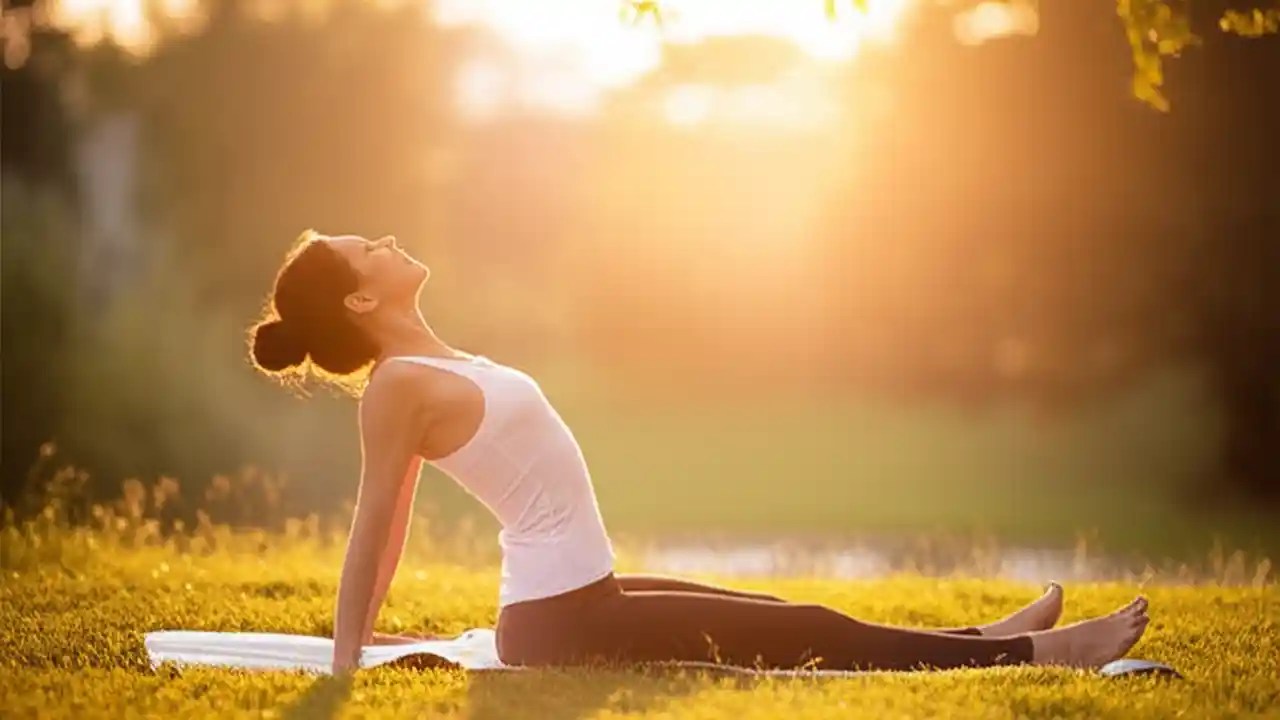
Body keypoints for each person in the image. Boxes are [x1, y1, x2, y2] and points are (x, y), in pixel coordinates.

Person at [247, 230, 1151, 676]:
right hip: (561, 625)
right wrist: (346, 664)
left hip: (578, 600)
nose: (386, 240)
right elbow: (380, 523)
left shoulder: (437, 359)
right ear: (361, 301)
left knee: (779, 609)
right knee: (807, 637)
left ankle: (984, 638)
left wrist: (365, 647)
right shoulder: (399, 386)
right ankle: (1035, 660)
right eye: (365, 247)